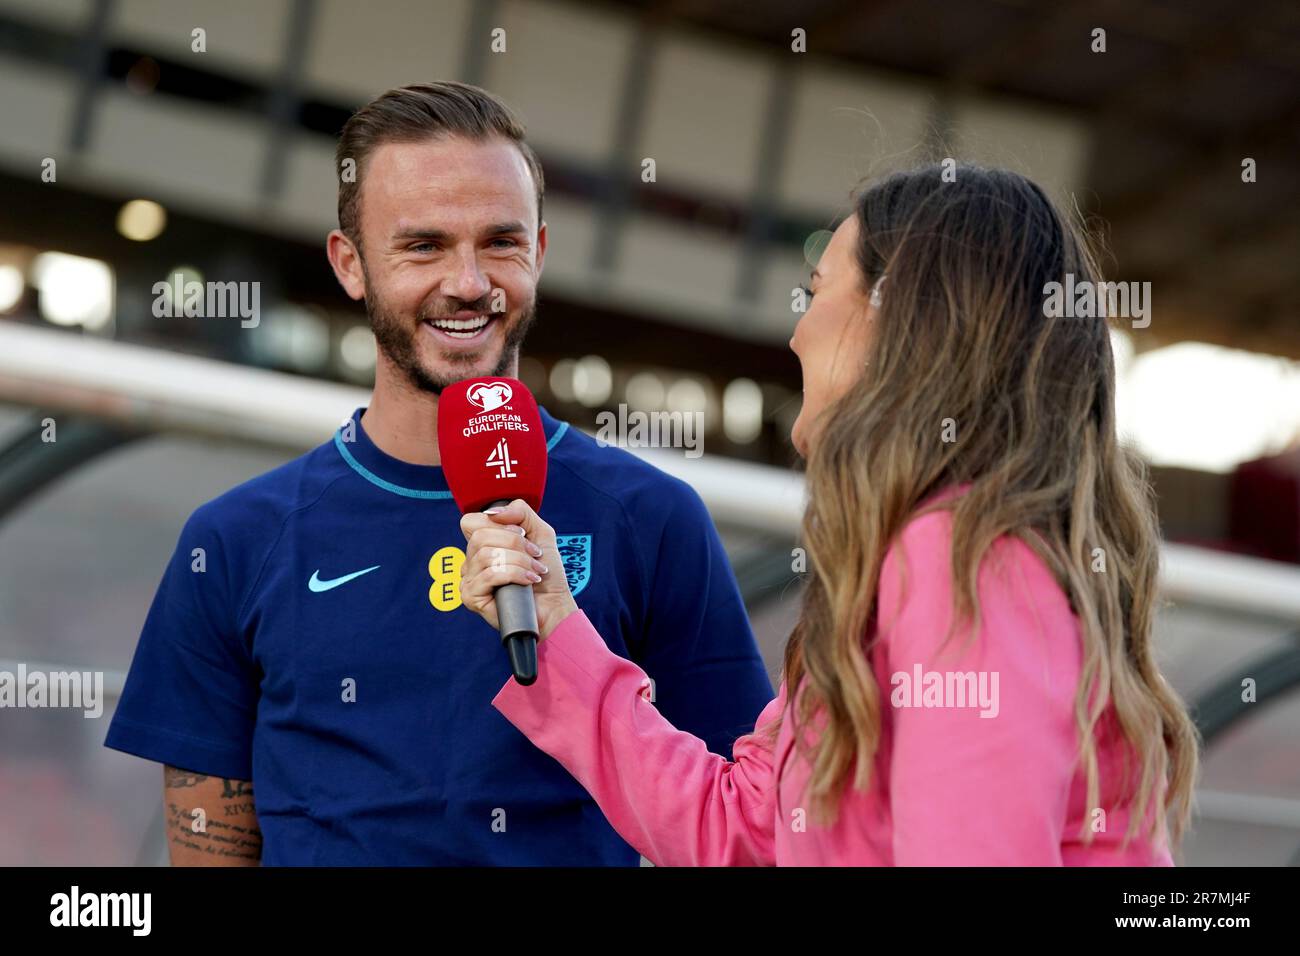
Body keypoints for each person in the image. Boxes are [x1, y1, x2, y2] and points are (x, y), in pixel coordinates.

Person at [103, 82, 773, 866]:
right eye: (424, 246)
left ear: (541, 253)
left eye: (500, 242)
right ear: (350, 265)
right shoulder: (234, 540)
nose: (468, 282)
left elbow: (741, 825)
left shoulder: (652, 517)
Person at [458, 164, 1200, 866]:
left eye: (816, 291)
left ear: (898, 322)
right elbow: (742, 831)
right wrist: (555, 626)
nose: (795, 333)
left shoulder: (963, 559)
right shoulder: (922, 559)